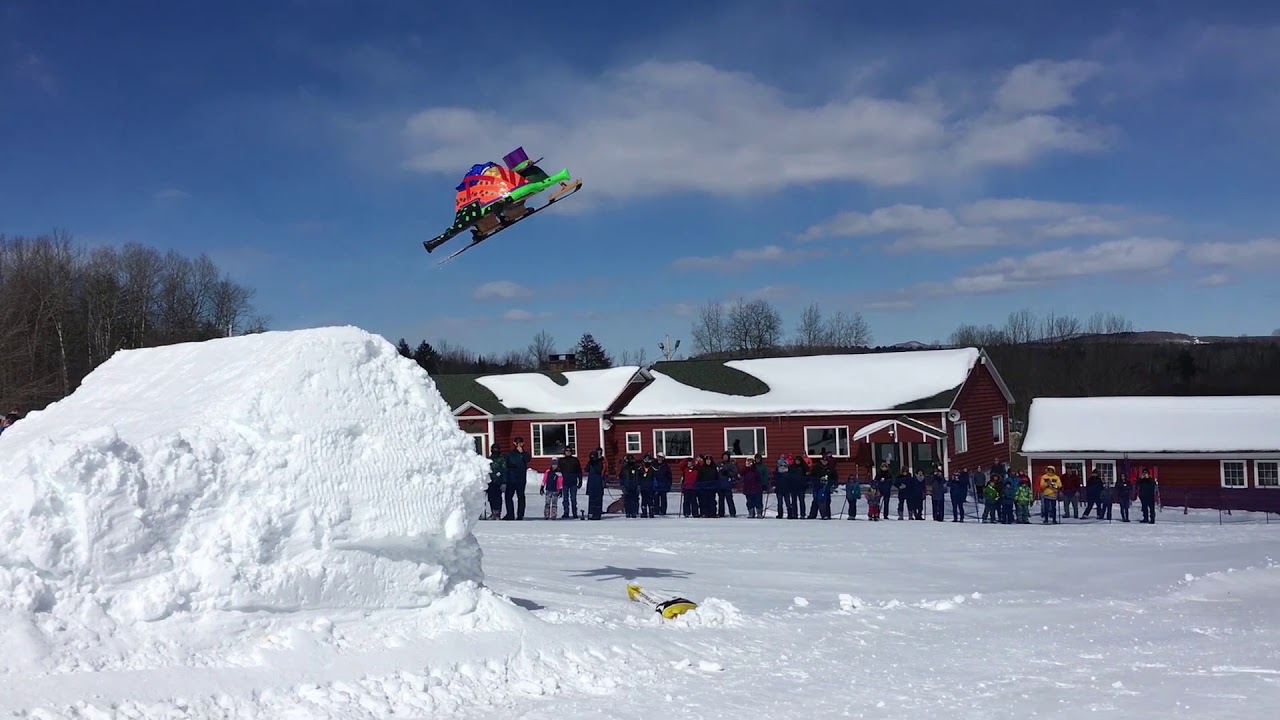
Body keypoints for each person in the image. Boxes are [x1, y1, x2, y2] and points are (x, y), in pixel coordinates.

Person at [503, 437, 532, 520]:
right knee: (508, 497)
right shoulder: (509, 454)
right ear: (514, 443)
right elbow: (506, 467)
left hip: (521, 479)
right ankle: (510, 514)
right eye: (517, 443)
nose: (519, 444)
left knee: (521, 497)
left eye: (521, 443)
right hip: (511, 479)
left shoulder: (525, 454)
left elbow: (528, 459)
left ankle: (520, 515)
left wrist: (522, 452)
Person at [485, 443, 506, 520]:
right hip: (490, 481)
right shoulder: (488, 459)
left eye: (496, 449)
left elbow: (504, 471)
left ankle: (497, 513)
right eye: (494, 449)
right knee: (491, 498)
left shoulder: (502, 459)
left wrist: (504, 482)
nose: (495, 450)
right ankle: (493, 512)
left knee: (498, 498)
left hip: (498, 481)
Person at [585, 448, 606, 520]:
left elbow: (598, 470)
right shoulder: (590, 463)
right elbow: (586, 469)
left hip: (598, 482)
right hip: (591, 482)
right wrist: (590, 462)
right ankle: (591, 513)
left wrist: (596, 462)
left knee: (598, 499)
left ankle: (597, 514)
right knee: (591, 499)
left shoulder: (600, 462)